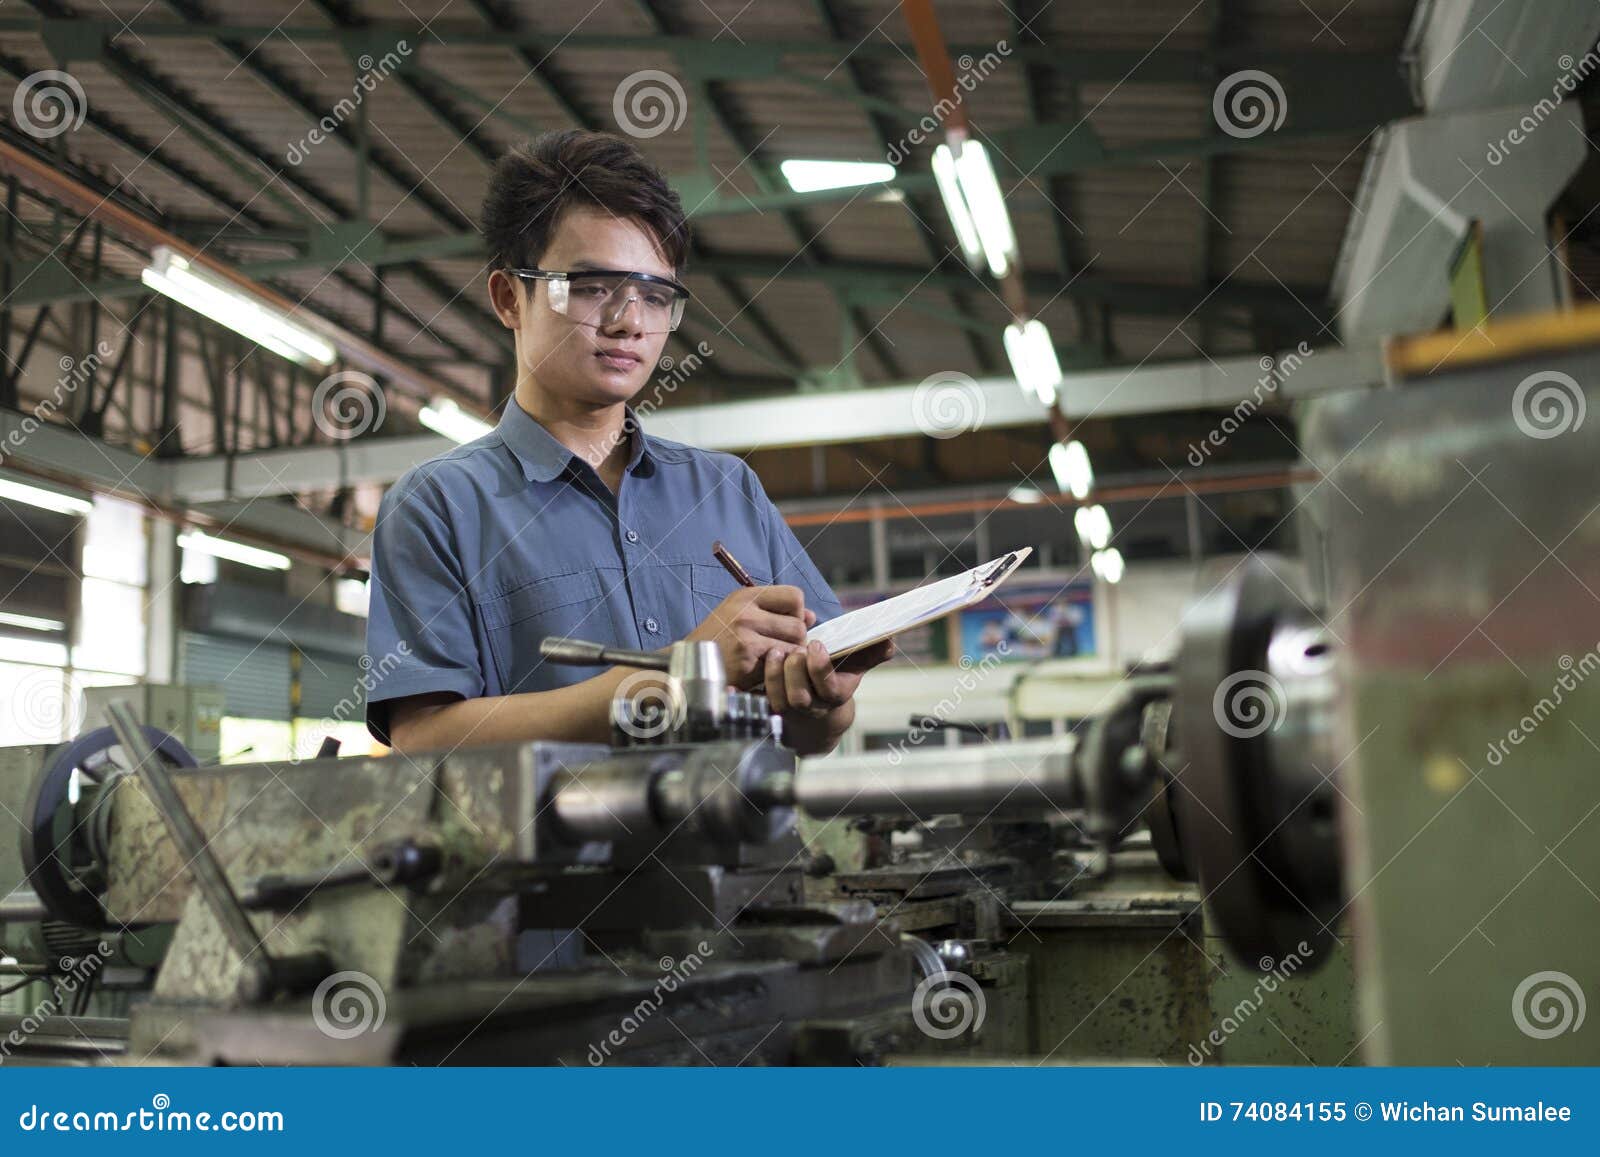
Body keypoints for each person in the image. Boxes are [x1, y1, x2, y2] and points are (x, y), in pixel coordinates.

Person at [363, 130, 892, 757]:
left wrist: (823, 699)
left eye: (655, 294)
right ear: (509, 297)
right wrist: (674, 675)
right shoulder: (438, 507)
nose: (628, 321)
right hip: (551, 852)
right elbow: (423, 738)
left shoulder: (725, 489)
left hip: (749, 849)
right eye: (591, 287)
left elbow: (818, 732)